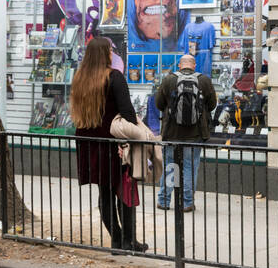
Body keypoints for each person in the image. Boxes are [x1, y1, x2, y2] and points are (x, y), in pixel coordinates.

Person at [71, 38, 146, 252]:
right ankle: (129, 242)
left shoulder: (80, 79)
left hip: (90, 145)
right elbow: (128, 112)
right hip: (115, 145)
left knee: (105, 193)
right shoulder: (114, 77)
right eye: (111, 50)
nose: (113, 53)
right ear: (106, 53)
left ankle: (117, 239)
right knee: (125, 192)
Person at [154, 53, 217, 212]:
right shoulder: (204, 80)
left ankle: (164, 200)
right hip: (195, 134)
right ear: (194, 65)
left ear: (179, 65)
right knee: (189, 167)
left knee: (171, 166)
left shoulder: (169, 80)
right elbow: (212, 105)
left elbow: (159, 104)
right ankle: (187, 203)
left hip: (172, 133)